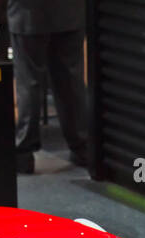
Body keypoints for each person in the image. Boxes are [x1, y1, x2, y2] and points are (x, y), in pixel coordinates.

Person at [8, 0, 89, 174]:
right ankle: (82, 147)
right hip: (71, 12)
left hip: (28, 13)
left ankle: (24, 153)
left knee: (29, 82)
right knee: (70, 81)